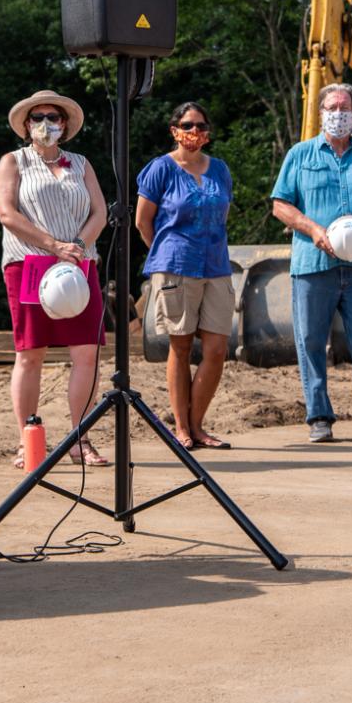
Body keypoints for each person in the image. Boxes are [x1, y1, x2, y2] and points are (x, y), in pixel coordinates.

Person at [270, 83, 352, 444]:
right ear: (321, 113)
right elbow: (280, 205)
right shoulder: (300, 155)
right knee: (310, 341)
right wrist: (312, 229)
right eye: (331, 107)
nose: (338, 113)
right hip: (313, 265)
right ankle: (319, 417)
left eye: (345, 107)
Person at [0, 89, 109, 467]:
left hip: (78, 265)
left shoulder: (81, 163)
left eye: (53, 117)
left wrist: (75, 245)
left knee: (87, 353)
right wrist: (52, 244)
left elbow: (100, 212)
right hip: (29, 264)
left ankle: (80, 438)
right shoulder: (14, 162)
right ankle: (27, 439)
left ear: (64, 124)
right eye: (38, 117)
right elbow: (7, 214)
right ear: (26, 126)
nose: (46, 124)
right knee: (30, 354)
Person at [136, 102, 234, 450]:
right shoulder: (160, 169)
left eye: (202, 126)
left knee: (217, 348)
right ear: (174, 128)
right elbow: (142, 221)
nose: (195, 131)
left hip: (217, 266)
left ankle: (198, 424)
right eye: (188, 125)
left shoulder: (220, 169)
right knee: (179, 345)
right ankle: (182, 428)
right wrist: (163, 255)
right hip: (176, 264)